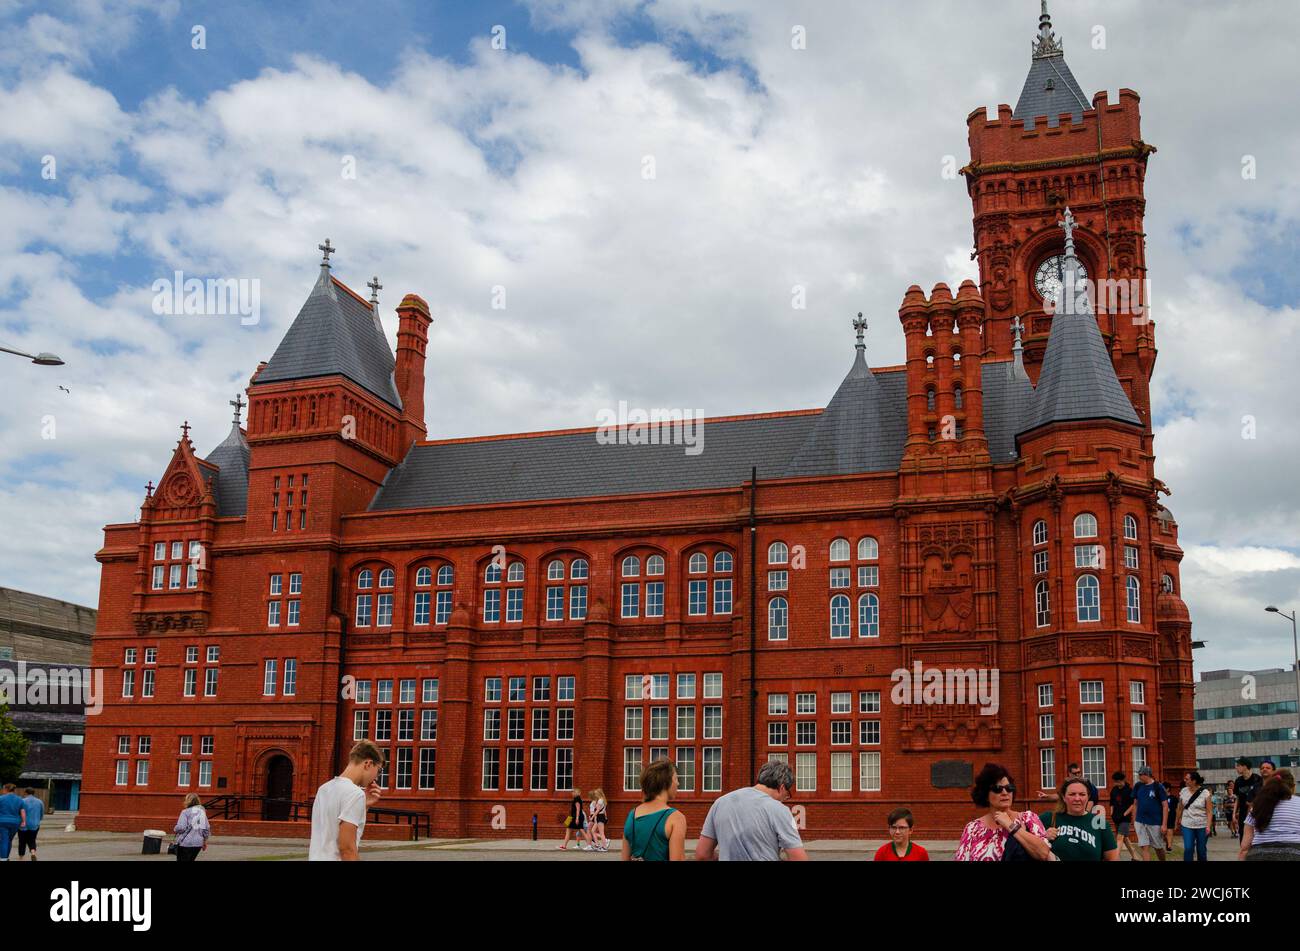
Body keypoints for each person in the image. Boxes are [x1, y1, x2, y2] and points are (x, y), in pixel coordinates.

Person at [695, 760, 808, 861]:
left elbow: (702, 854)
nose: (785, 799)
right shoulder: (780, 810)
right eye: (787, 795)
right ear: (782, 787)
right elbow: (798, 858)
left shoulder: (720, 803)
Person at [955, 763, 1054, 861]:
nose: (1005, 793)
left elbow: (1043, 853)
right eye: (997, 789)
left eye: (1009, 788)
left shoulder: (1028, 818)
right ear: (985, 794)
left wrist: (1011, 826)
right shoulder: (972, 829)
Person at [308, 740, 383, 861]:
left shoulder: (324, 789)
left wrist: (364, 806)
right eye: (378, 770)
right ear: (368, 764)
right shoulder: (355, 793)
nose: (376, 777)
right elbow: (347, 848)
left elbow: (330, 829)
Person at [1039, 777, 1119, 861]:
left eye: (1082, 794)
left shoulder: (1099, 822)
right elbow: (1026, 840)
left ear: (1088, 797)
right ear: (1063, 797)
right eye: (1072, 794)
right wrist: (1042, 837)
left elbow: (1112, 858)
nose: (1077, 798)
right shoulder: (1049, 818)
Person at [621, 759, 686, 861]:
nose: (678, 783)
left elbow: (624, 858)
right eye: (676, 778)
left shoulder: (632, 815)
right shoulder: (675, 818)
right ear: (665, 782)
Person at [1240, 769, 1300, 861]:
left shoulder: (1258, 805)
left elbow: (1244, 847)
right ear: (1293, 787)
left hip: (1258, 855)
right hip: (1294, 854)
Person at [1125, 765, 1168, 861]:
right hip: (1140, 821)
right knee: (1144, 846)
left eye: (1140, 775)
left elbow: (1165, 806)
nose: (1138, 777)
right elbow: (1135, 804)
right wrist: (1134, 819)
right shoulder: (1138, 786)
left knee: (1158, 847)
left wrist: (1164, 824)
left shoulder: (1158, 786)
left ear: (1147, 775)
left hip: (1155, 822)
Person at [1175, 770, 1210, 862]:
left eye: (1187, 779)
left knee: (1201, 850)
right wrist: (1176, 821)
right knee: (1188, 848)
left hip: (1202, 825)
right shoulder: (1183, 791)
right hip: (1187, 824)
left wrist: (1208, 826)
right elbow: (1180, 808)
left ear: (1194, 781)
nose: (1184, 780)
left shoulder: (1205, 793)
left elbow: (1209, 811)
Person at [172, 792, 210, 861]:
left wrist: (175, 828)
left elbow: (181, 827)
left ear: (187, 801)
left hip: (186, 843)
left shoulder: (185, 812)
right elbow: (206, 828)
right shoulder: (202, 812)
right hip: (198, 843)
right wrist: (205, 841)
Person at [1109, 771, 1138, 860]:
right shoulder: (1114, 790)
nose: (1116, 783)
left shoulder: (1129, 790)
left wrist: (1125, 814)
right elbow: (1112, 803)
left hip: (1125, 818)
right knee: (1125, 838)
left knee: (1119, 837)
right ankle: (1135, 856)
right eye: (1115, 781)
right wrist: (1111, 813)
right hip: (1116, 817)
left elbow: (1132, 805)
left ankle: (1115, 858)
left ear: (1122, 780)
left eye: (1118, 781)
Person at [1231, 757, 1262, 841]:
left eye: (1238, 766)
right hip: (1242, 813)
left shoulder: (1257, 779)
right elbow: (1238, 798)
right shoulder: (1238, 781)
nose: (1236, 768)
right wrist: (1234, 814)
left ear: (1245, 766)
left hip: (1255, 813)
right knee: (1243, 836)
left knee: (1255, 836)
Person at [17, 788, 44, 861]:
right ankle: (33, 853)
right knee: (32, 840)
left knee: (22, 841)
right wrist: (38, 820)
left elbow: (19, 812)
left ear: (25, 793)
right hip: (34, 824)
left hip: (23, 825)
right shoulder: (39, 802)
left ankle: (21, 857)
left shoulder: (22, 801)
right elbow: (42, 813)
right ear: (33, 793)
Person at [0, 783, 24, 862]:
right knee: (9, 840)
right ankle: (6, 857)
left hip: (2, 821)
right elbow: (22, 811)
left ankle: (3, 858)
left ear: (6, 789)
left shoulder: (1, 798)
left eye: (3, 789)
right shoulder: (20, 799)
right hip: (15, 823)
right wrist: (23, 821)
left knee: (4, 840)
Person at [587, 788, 609, 852]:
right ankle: (604, 846)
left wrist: (592, 817)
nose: (595, 795)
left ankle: (604, 847)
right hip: (601, 816)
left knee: (601, 833)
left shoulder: (600, 801)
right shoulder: (603, 800)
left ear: (599, 794)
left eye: (596, 793)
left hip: (600, 816)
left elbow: (597, 810)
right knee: (601, 833)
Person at [1162, 782, 1178, 851]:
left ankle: (1169, 846)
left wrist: (1176, 821)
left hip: (1171, 817)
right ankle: (1167, 841)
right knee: (1163, 833)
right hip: (1162, 817)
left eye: (1163, 788)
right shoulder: (1161, 798)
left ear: (1167, 789)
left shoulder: (1173, 798)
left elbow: (1177, 809)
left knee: (1169, 830)